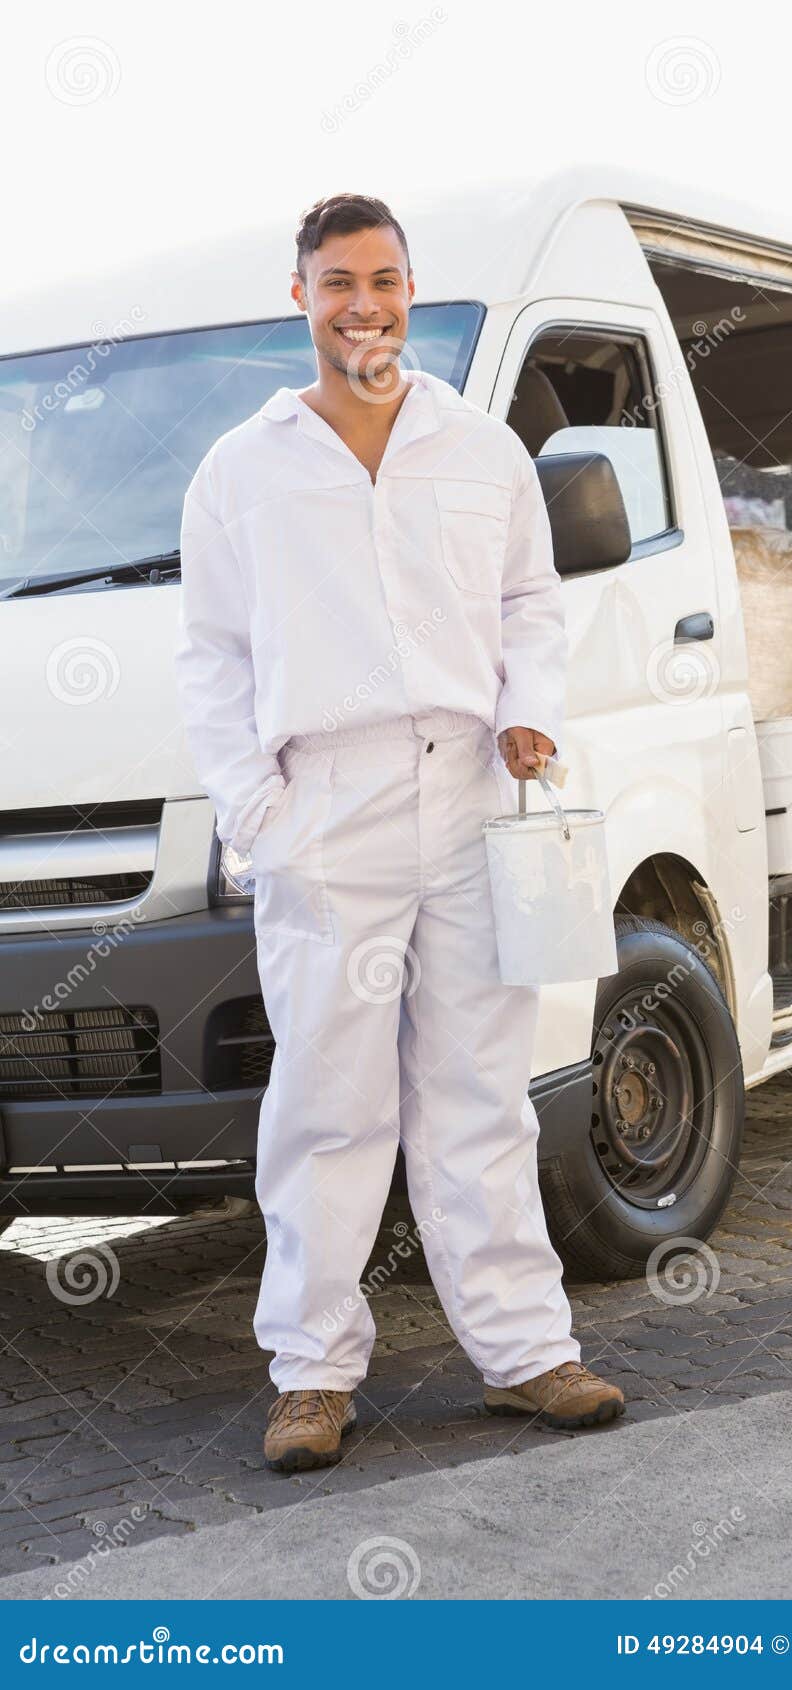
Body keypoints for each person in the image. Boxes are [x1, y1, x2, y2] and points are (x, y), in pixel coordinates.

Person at [173, 193, 625, 1471]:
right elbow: (210, 658)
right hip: (327, 809)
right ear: (301, 297)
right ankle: (312, 1374)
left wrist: (527, 711)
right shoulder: (240, 470)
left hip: (470, 792)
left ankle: (524, 1353)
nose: (361, 304)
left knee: (479, 1089)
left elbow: (530, 603)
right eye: (337, 282)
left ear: (409, 291)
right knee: (328, 1102)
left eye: (382, 280)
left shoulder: (481, 449)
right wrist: (263, 814)